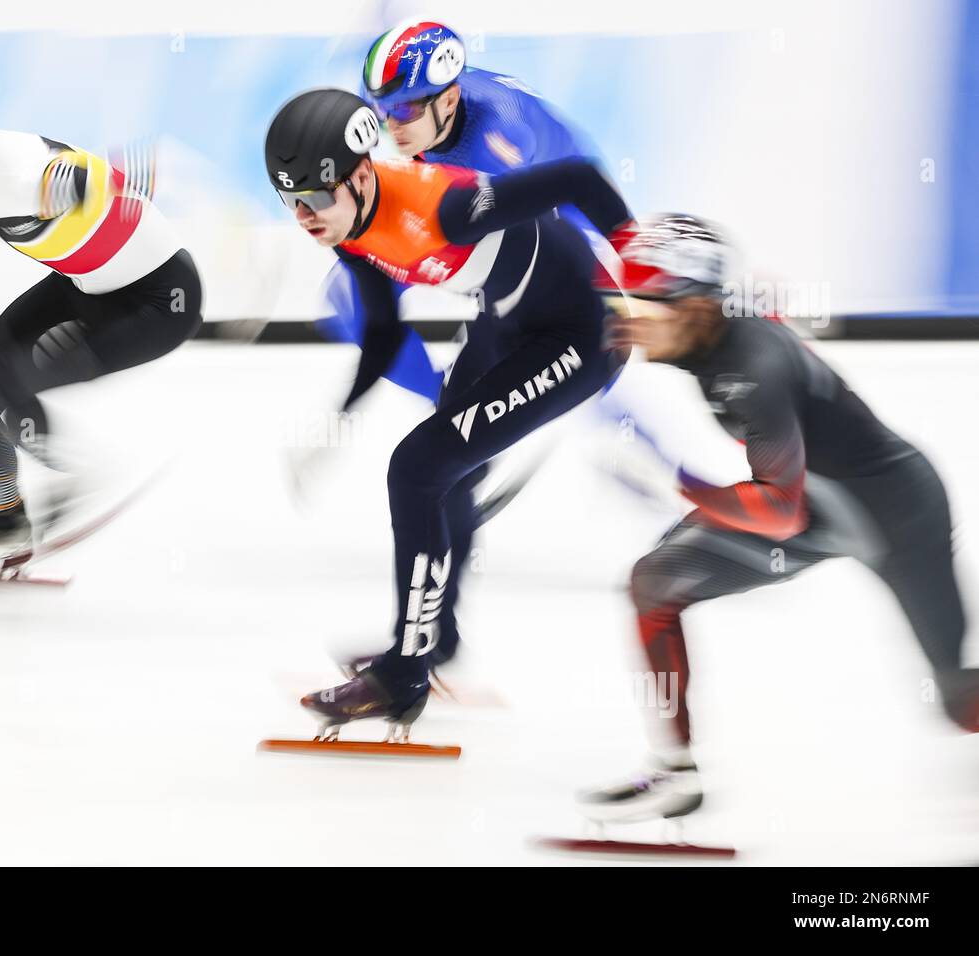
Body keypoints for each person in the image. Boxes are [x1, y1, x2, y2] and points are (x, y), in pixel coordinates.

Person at [582, 214, 979, 822]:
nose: (623, 317)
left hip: (896, 513)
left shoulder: (749, 369)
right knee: (654, 582)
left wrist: (673, 480)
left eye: (640, 301)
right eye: (618, 298)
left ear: (695, 307)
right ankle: (676, 773)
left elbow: (778, 515)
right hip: (818, 503)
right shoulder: (711, 330)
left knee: (959, 705)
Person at [264, 88, 632, 738]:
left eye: (315, 198)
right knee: (449, 473)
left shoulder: (447, 208)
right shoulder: (348, 226)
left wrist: (644, 271)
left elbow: (580, 179)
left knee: (418, 467)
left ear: (358, 174)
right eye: (289, 200)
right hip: (507, 320)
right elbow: (382, 331)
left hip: (583, 334)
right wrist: (338, 420)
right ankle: (435, 637)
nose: (304, 216)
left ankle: (403, 675)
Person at [0, 34, 203, 563]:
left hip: (158, 301)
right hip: (84, 285)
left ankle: (83, 472)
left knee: (2, 389)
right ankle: (6, 521)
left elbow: (152, 169)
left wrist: (88, 184)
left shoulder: (28, 168)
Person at [317, 19, 601, 403]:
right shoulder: (422, 114)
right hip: (465, 202)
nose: (390, 125)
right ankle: (445, 405)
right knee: (347, 296)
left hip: (558, 219)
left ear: (449, 101)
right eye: (378, 111)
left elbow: (515, 247)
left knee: (515, 314)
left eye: (401, 110)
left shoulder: (498, 134)